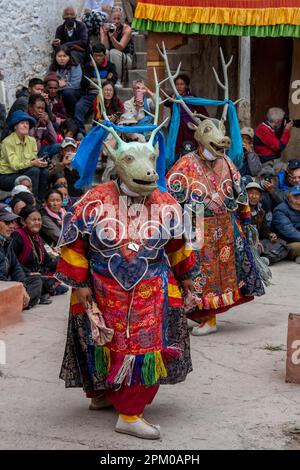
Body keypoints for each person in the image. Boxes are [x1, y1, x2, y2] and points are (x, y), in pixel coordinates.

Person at [55, 94, 196, 439]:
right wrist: (80, 284)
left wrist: (188, 279)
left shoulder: (165, 202)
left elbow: (179, 244)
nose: (146, 168)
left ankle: (128, 408)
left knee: (143, 348)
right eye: (133, 159)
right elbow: (74, 243)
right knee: (100, 339)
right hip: (103, 286)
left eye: (150, 159)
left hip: (150, 289)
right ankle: (112, 400)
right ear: (117, 161)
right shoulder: (93, 199)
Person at [167, 113, 265, 336]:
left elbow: (239, 192)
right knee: (194, 271)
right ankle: (198, 313)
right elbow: (171, 196)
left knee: (217, 275)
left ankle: (209, 318)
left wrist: (246, 220)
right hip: (196, 221)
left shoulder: (227, 162)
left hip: (224, 225)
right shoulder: (185, 164)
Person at [11, 206, 68, 302]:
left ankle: (46, 289)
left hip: (39, 272)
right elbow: (13, 261)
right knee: (37, 280)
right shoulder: (17, 236)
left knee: (62, 265)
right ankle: (46, 290)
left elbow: (46, 260)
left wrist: (60, 261)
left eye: (39, 220)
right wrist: (28, 272)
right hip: (26, 274)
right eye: (33, 220)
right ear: (23, 221)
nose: (37, 223)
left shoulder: (37, 237)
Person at [0, 203, 42, 309]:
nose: (12, 226)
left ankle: (17, 303)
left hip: (9, 284)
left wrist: (21, 285)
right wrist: (15, 286)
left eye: (12, 222)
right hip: (3, 285)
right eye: (7, 222)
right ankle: (17, 304)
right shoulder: (16, 237)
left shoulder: (6, 241)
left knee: (36, 280)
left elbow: (15, 267)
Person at [0, 111, 49, 201]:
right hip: (6, 176)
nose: (26, 125)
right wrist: (33, 163)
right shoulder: (7, 142)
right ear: (15, 126)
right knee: (34, 171)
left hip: (22, 171)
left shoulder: (32, 140)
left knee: (44, 171)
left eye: (27, 123)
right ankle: (31, 200)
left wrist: (41, 162)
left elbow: (33, 159)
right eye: (22, 123)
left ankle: (40, 200)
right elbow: (15, 166)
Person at [74, 43, 118, 136]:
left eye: (100, 56)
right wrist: (105, 80)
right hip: (91, 94)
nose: (98, 58)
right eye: (96, 55)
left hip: (106, 96)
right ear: (92, 55)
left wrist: (93, 80)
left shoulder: (111, 66)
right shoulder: (87, 66)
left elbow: (112, 81)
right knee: (79, 106)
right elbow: (84, 82)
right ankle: (81, 132)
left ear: (105, 55)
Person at [164, 74, 207, 160]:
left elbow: (204, 113)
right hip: (176, 131)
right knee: (175, 153)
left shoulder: (191, 98)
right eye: (177, 84)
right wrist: (172, 99)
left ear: (186, 85)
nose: (179, 86)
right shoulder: (174, 98)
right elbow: (166, 103)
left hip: (189, 130)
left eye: (182, 84)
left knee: (189, 153)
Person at [246, 182, 288, 264]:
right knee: (253, 249)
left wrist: (270, 235)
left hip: (259, 243)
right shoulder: (239, 210)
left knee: (283, 245)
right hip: (245, 243)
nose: (254, 196)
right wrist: (253, 241)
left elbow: (263, 230)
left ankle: (266, 259)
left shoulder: (261, 212)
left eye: (257, 194)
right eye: (250, 193)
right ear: (245, 195)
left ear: (260, 197)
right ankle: (255, 258)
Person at [100, 6, 133, 82]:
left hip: (126, 58)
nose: (116, 21)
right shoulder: (105, 27)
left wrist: (112, 37)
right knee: (106, 52)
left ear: (122, 19)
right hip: (111, 56)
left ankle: (117, 79)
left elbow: (121, 47)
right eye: (114, 19)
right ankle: (106, 77)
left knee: (113, 52)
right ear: (110, 19)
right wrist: (105, 34)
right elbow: (105, 47)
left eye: (118, 19)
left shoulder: (126, 29)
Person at [49, 46, 83, 117]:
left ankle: (73, 116)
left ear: (69, 57)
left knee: (67, 93)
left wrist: (60, 86)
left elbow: (75, 84)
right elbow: (48, 80)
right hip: (58, 91)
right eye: (59, 56)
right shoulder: (53, 67)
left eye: (65, 56)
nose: (62, 59)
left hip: (74, 92)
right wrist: (58, 84)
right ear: (55, 57)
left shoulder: (75, 66)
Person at [272, 185, 300, 263]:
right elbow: (289, 232)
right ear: (289, 197)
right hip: (286, 243)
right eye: (295, 197)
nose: (298, 202)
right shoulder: (280, 210)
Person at [28, 95, 60, 159]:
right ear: (30, 108)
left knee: (58, 146)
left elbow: (54, 141)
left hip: (39, 151)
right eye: (38, 108)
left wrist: (48, 122)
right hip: (27, 152)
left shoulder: (42, 121)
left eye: (42, 108)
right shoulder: (24, 120)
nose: (40, 111)